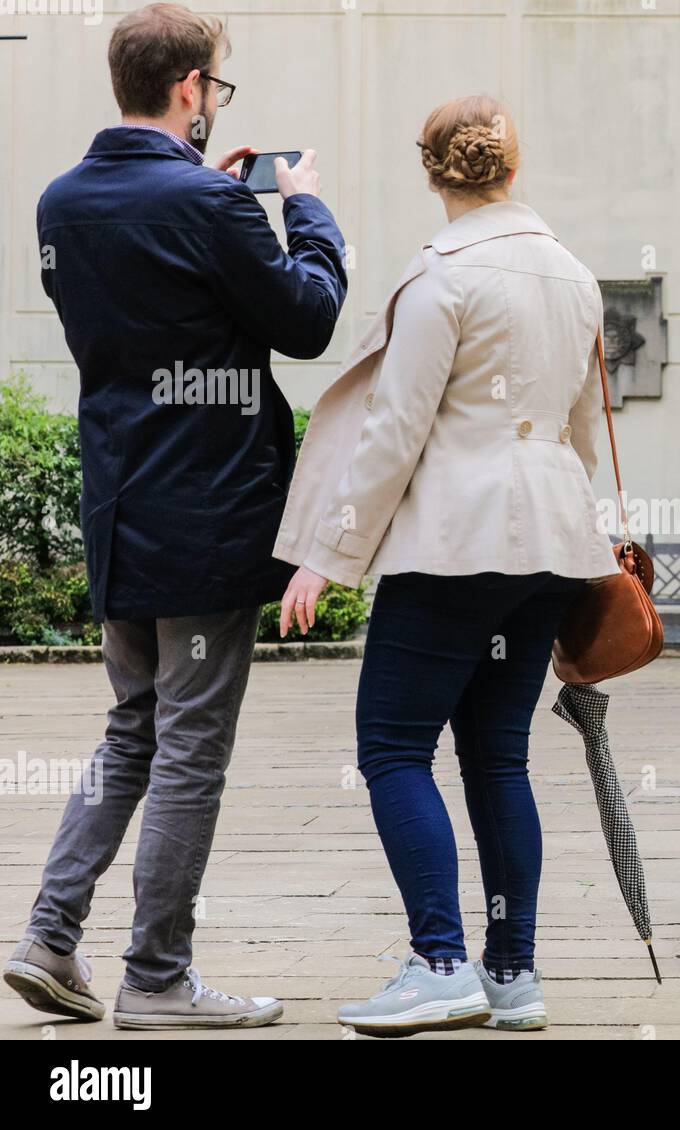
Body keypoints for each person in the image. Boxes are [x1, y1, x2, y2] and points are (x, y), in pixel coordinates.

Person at [2, 2, 348, 1030]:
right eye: (214, 87)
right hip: (204, 511)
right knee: (189, 743)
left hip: (118, 501)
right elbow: (310, 319)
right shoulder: (213, 203)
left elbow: (146, 320)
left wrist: (220, 205)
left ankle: (51, 936)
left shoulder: (61, 203)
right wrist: (303, 209)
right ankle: (155, 977)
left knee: (135, 726)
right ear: (191, 88)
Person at [273, 94, 617, 1036]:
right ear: (516, 165)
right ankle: (513, 976)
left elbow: (394, 432)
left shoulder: (442, 278)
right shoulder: (575, 277)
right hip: (550, 543)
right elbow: (586, 435)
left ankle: (438, 962)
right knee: (499, 761)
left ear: (432, 171)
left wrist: (326, 557)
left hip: (453, 547)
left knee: (391, 748)